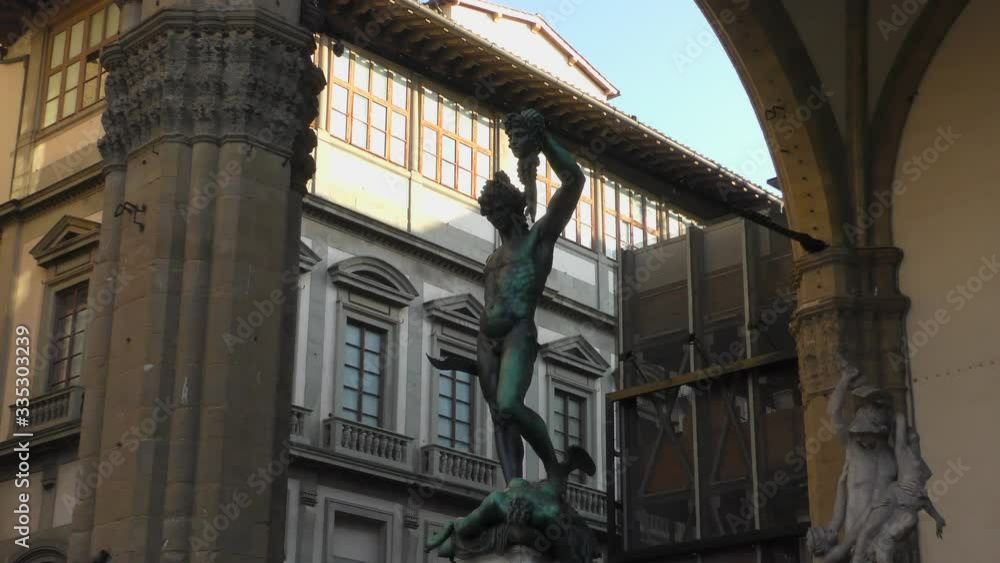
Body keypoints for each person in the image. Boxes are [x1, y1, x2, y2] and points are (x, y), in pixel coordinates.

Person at [429, 109, 589, 482]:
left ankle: (554, 467)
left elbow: (574, 181)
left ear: (514, 210)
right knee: (500, 418)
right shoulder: (492, 257)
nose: (495, 218)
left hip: (518, 332)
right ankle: (514, 485)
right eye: (490, 213)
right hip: (487, 341)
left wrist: (541, 137)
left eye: (499, 210)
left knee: (509, 404)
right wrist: (469, 362)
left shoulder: (538, 240)